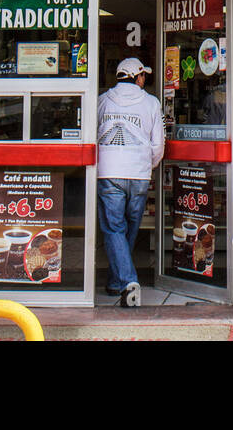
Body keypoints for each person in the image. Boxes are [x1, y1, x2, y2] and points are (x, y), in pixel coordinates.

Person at [96, 57, 165, 306]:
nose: (144, 79)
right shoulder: (151, 103)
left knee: (114, 229)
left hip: (109, 172)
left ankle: (121, 280)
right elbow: (158, 145)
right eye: (143, 75)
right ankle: (125, 281)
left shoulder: (102, 101)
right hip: (139, 174)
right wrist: (148, 165)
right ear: (138, 77)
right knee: (129, 228)